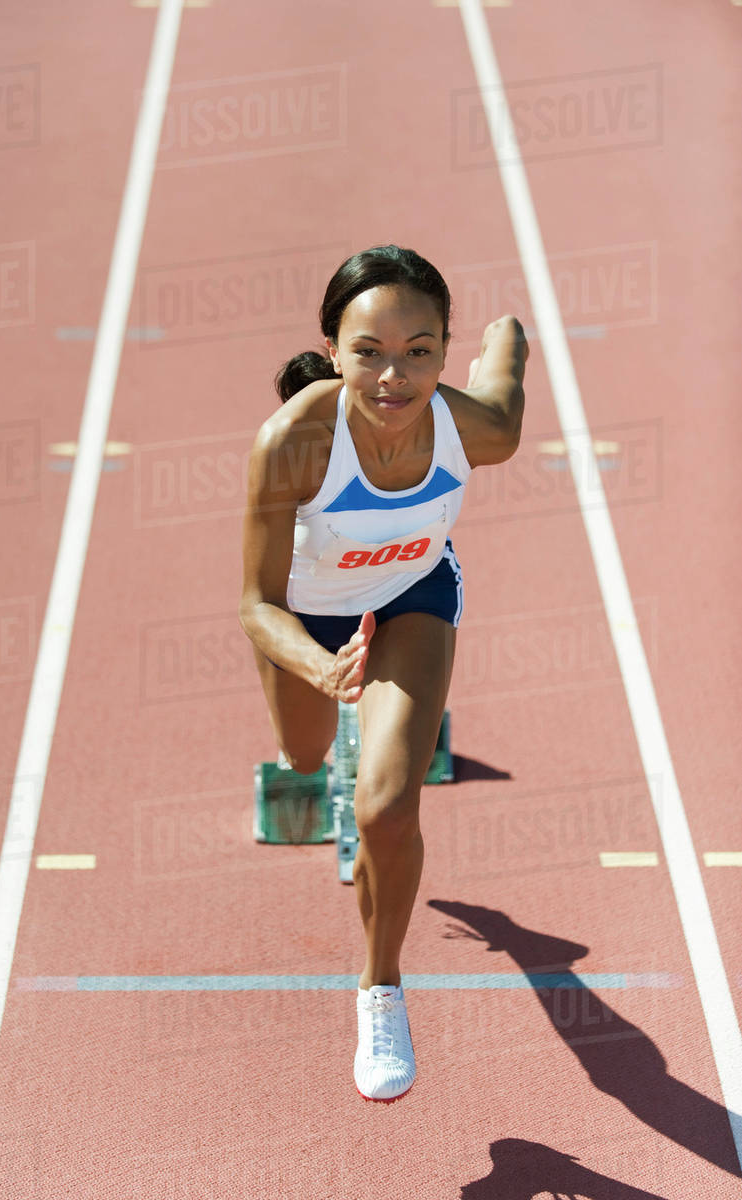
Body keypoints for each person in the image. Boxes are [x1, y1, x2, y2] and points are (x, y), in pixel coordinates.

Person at [239, 244, 528, 1102]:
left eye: (420, 351)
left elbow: (506, 371)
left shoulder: (478, 431)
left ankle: (380, 987)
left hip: (413, 594)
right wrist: (321, 667)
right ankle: (338, 754)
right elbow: (256, 603)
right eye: (368, 352)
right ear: (332, 349)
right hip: (310, 614)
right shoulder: (293, 441)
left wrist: (505, 337)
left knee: (384, 807)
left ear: (443, 350)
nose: (394, 378)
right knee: (301, 758)